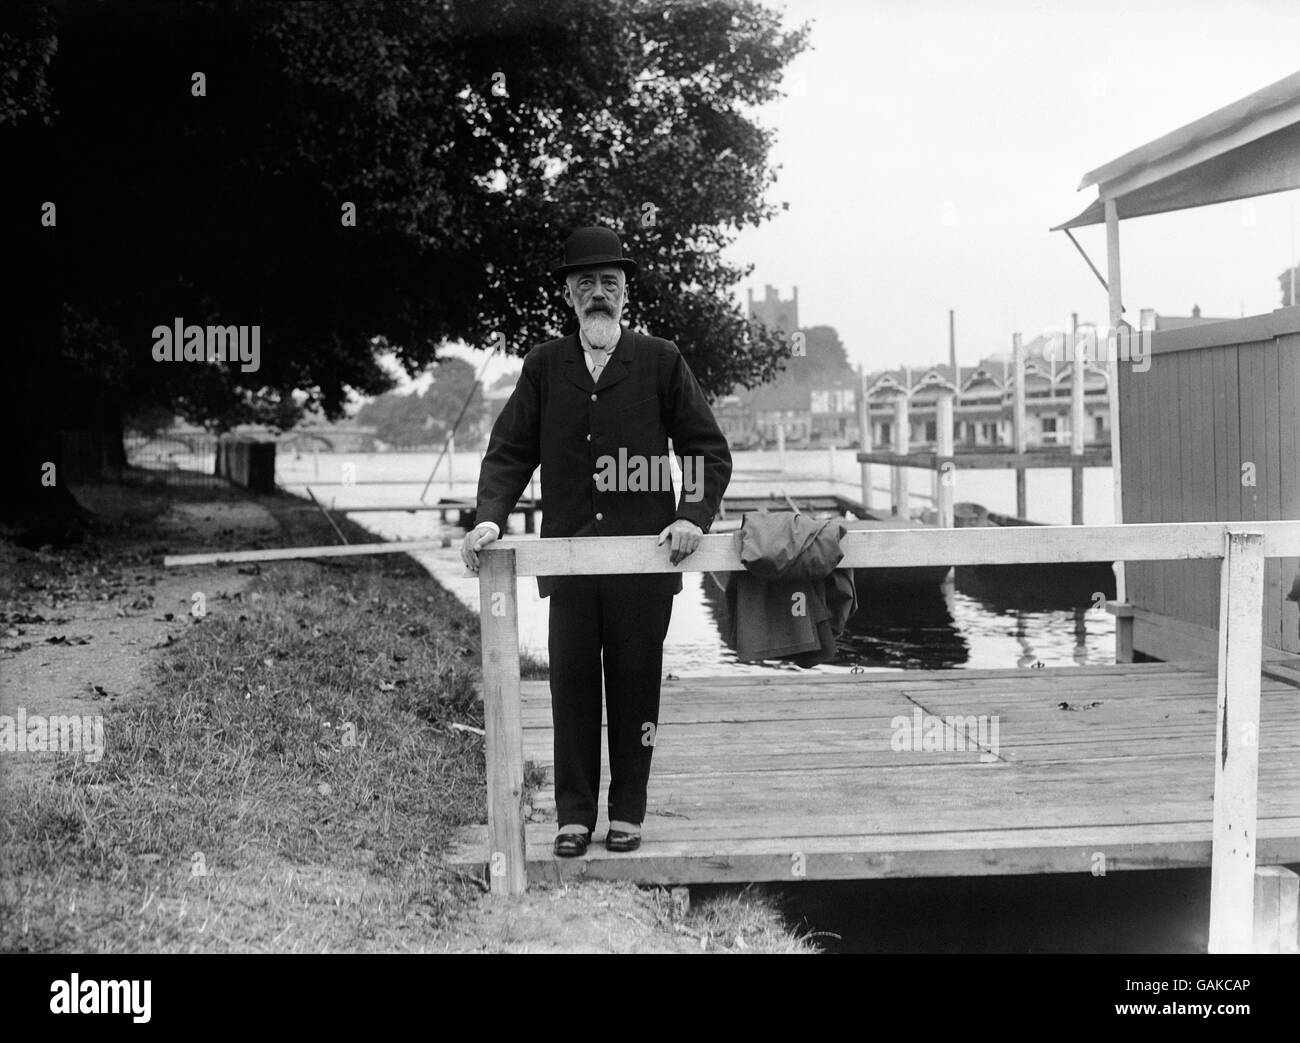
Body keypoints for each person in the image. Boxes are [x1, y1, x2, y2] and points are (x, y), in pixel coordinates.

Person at [462, 226, 732, 856]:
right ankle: (574, 815)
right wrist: (490, 518)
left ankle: (629, 812)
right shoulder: (544, 366)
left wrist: (692, 513)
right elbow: (509, 452)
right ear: (568, 295)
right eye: (586, 284)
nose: (599, 295)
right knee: (573, 686)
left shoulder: (660, 360)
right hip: (570, 562)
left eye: (610, 283)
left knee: (638, 685)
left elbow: (705, 449)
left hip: (645, 563)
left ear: (626, 292)